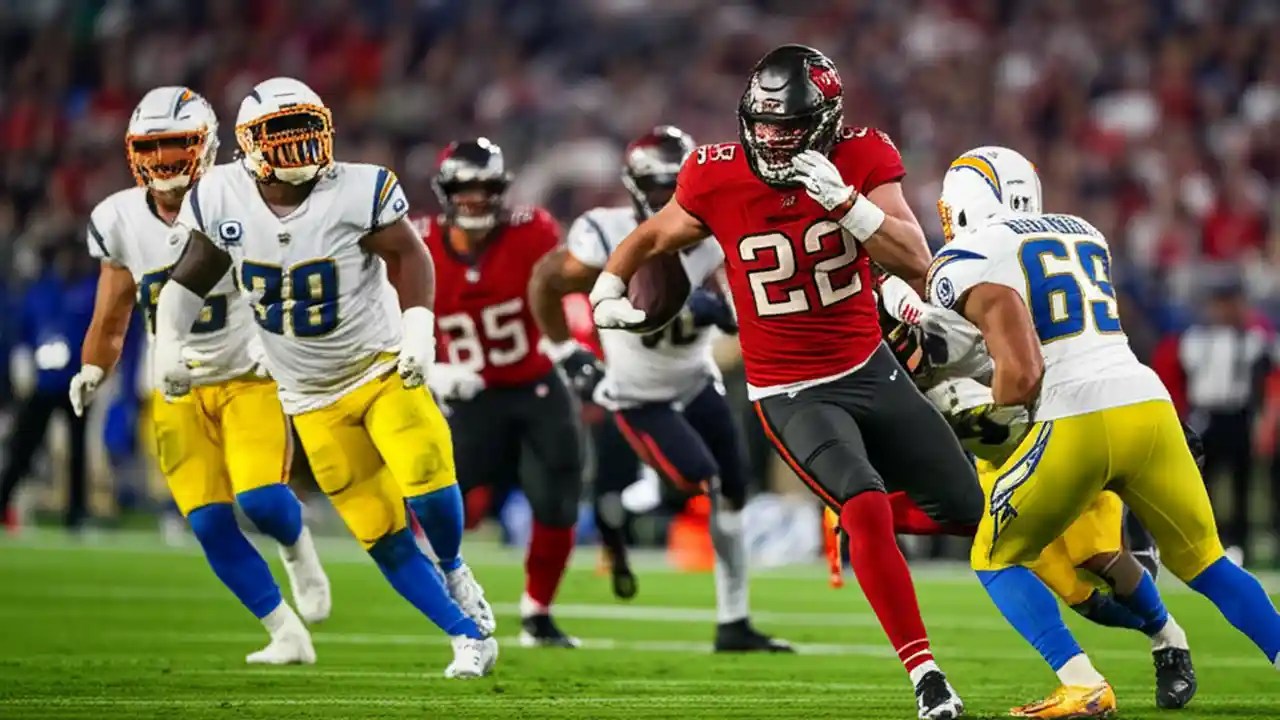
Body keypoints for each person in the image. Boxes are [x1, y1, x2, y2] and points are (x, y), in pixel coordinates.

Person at [587, 45, 980, 720]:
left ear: (825, 120)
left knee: (968, 511)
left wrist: (847, 204)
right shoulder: (715, 172)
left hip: (870, 367)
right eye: (761, 123)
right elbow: (654, 238)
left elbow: (917, 258)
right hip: (789, 388)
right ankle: (927, 677)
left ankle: (1124, 586)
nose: (770, 138)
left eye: (787, 126)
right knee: (863, 501)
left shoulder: (862, 157)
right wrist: (607, 286)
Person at [151, 77, 497, 677]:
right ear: (250, 145)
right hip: (309, 398)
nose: (300, 146)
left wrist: (419, 332)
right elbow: (188, 278)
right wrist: (169, 345)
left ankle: (454, 564)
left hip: (380, 367)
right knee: (380, 531)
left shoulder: (358, 188)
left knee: (426, 482)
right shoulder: (221, 197)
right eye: (282, 137)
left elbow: (410, 254)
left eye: (307, 131)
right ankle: (467, 637)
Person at [927, 144, 1280, 717]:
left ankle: (1081, 680)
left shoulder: (971, 253)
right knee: (1210, 563)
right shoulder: (1082, 230)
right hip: (1145, 402)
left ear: (967, 203)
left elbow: (1011, 369)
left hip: (1072, 415)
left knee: (995, 557)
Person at [65, 87, 331, 663]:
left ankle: (296, 542)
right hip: (174, 385)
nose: (162, 161)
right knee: (209, 522)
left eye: (177, 144)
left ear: (207, 146)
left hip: (247, 374)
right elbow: (112, 310)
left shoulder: (243, 195)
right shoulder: (118, 218)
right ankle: (284, 631)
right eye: (152, 147)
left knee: (261, 499)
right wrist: (94, 365)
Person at [878, 270, 1196, 710]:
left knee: (1097, 555)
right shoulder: (898, 396)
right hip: (1008, 479)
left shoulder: (961, 334)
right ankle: (1124, 658)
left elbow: (1055, 364)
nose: (901, 357)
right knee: (1083, 599)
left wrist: (1166, 425)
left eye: (898, 340)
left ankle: (1169, 642)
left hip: (1067, 450)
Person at [529, 125, 791, 652]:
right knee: (696, 482)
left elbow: (752, 302)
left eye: (675, 183)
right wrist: (565, 353)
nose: (665, 196)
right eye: (654, 184)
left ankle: (733, 621)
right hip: (637, 394)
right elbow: (545, 282)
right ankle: (620, 509)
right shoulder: (606, 234)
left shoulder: (717, 235)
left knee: (735, 492)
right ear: (631, 185)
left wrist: (731, 311)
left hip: (696, 381)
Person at [421, 137, 583, 648]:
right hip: (468, 394)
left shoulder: (531, 231)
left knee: (559, 496)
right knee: (441, 496)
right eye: (463, 189)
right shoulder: (418, 243)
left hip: (534, 382)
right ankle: (436, 592)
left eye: (485, 188)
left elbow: (558, 291)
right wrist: (432, 370)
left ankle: (538, 612)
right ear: (445, 193)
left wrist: (568, 352)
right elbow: (390, 319)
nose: (473, 199)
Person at [0, 241, 96, 534]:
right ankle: (3, 501)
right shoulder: (43, 292)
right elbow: (26, 329)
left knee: (77, 450)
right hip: (44, 380)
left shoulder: (91, 291)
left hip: (77, 380)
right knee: (23, 445)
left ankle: (76, 512)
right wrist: (23, 359)